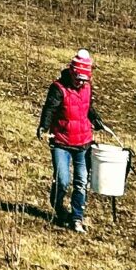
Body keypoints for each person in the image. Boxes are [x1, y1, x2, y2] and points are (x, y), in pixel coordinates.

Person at [36, 51, 101, 233]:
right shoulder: (58, 88)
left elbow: (87, 107)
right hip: (61, 143)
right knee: (63, 180)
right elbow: (49, 109)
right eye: (78, 78)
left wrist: (96, 119)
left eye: (84, 79)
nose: (80, 82)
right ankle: (57, 204)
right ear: (71, 72)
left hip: (83, 143)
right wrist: (43, 127)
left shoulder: (87, 88)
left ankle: (77, 217)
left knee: (81, 181)